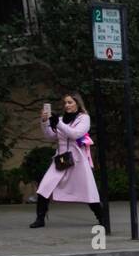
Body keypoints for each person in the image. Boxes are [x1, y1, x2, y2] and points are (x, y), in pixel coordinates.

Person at [32, 93, 103, 228]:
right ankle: (40, 219)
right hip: (62, 158)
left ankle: (102, 218)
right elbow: (51, 136)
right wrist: (45, 122)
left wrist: (58, 123)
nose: (67, 105)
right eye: (65, 103)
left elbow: (75, 134)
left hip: (78, 158)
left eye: (70, 102)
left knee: (88, 190)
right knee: (44, 186)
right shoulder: (60, 119)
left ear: (77, 103)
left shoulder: (84, 118)